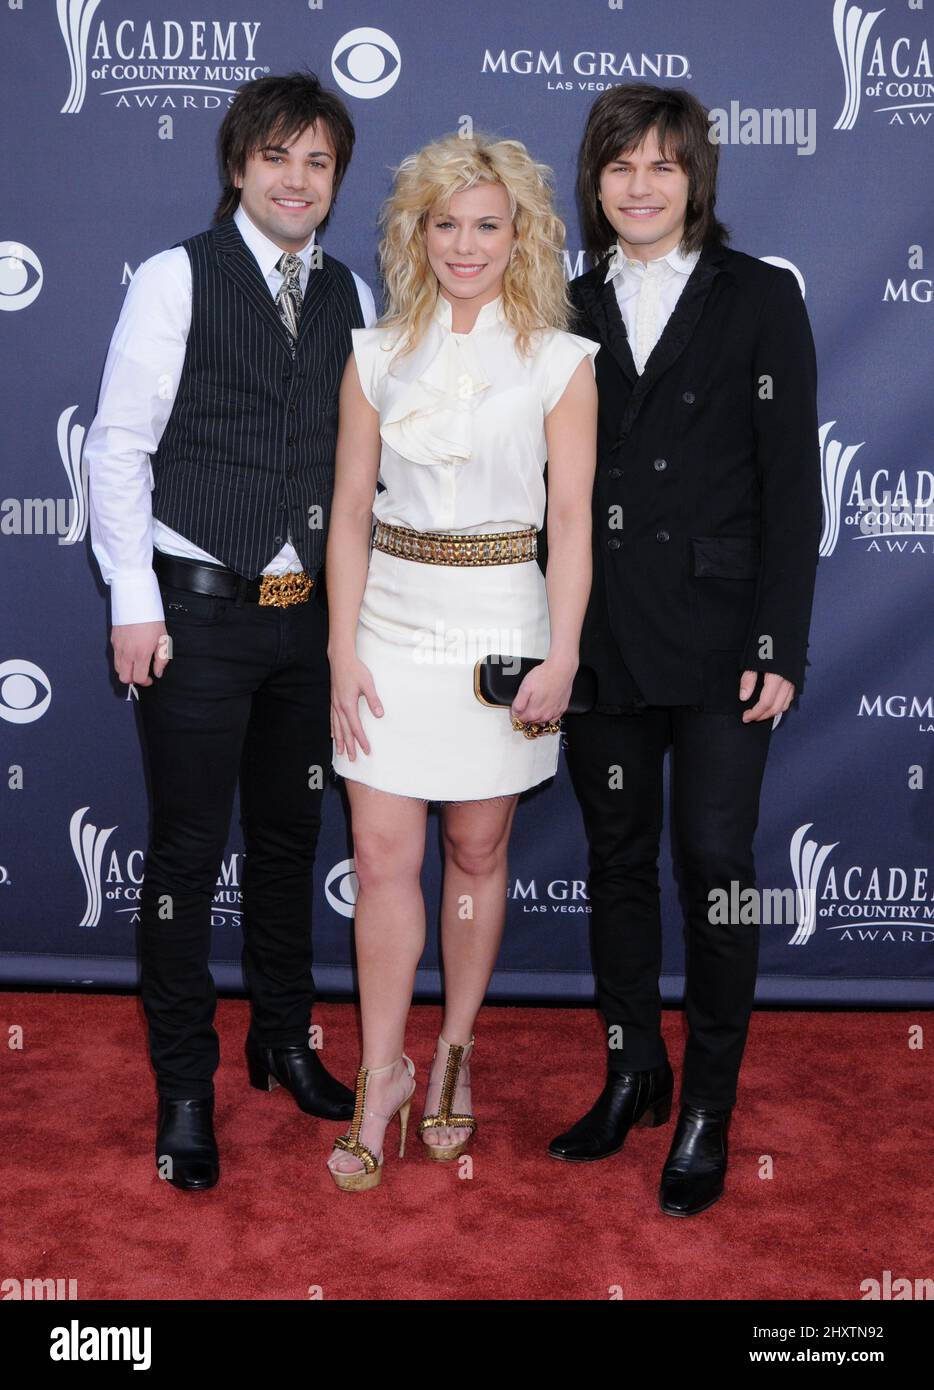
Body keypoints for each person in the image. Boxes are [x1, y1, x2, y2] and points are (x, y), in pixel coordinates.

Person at [85, 71, 377, 1191]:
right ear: (237, 166)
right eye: (277, 158)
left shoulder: (351, 292)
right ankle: (184, 1088)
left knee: (294, 846)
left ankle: (284, 1040)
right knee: (185, 856)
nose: (296, 179)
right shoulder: (176, 277)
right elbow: (118, 445)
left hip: (306, 626)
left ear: (335, 178)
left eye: (318, 162)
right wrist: (132, 598)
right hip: (196, 614)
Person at [550, 84, 821, 1216]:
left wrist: (777, 638)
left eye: (662, 165)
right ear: (596, 183)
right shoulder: (558, 305)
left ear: (694, 175)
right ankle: (631, 1071)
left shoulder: (761, 296)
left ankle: (709, 1101)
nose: (641, 185)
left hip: (721, 643)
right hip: (604, 633)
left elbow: (791, 490)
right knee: (616, 863)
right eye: (620, 167)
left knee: (714, 867)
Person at [323, 132, 598, 1191]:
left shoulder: (559, 362)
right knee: (383, 857)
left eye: (487, 223)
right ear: (415, 233)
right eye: (446, 223)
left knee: (477, 857)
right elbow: (349, 512)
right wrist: (341, 647)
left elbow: (569, 520)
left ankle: (454, 1053)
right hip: (390, 621)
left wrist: (563, 652)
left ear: (519, 233)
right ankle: (380, 1072)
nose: (466, 244)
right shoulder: (374, 352)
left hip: (500, 626)